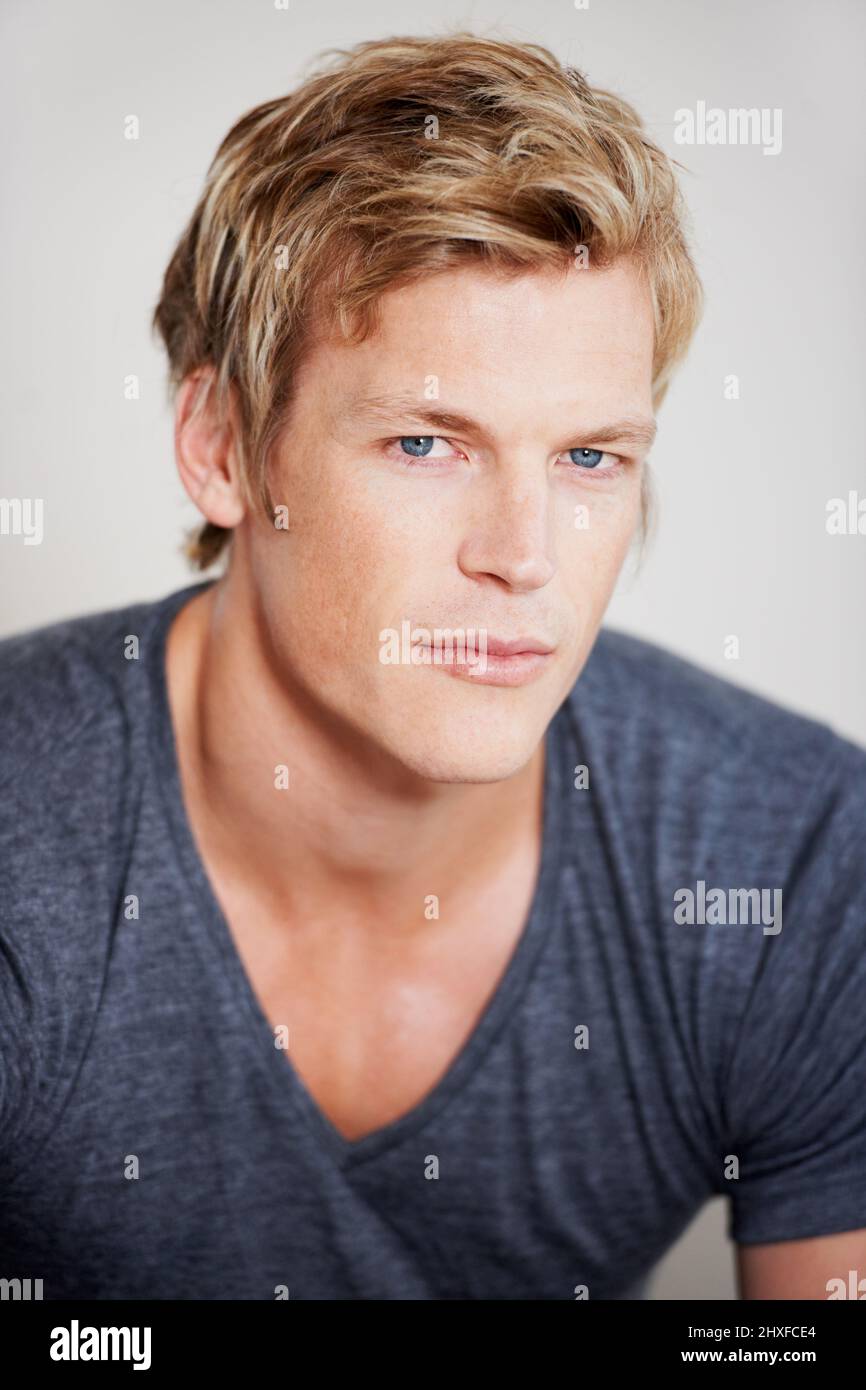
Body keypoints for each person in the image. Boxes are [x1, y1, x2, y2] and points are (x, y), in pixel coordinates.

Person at [1, 31, 864, 1302]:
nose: (523, 559)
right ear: (223, 448)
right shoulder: (27, 850)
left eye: (587, 459)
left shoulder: (791, 858)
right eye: (424, 443)